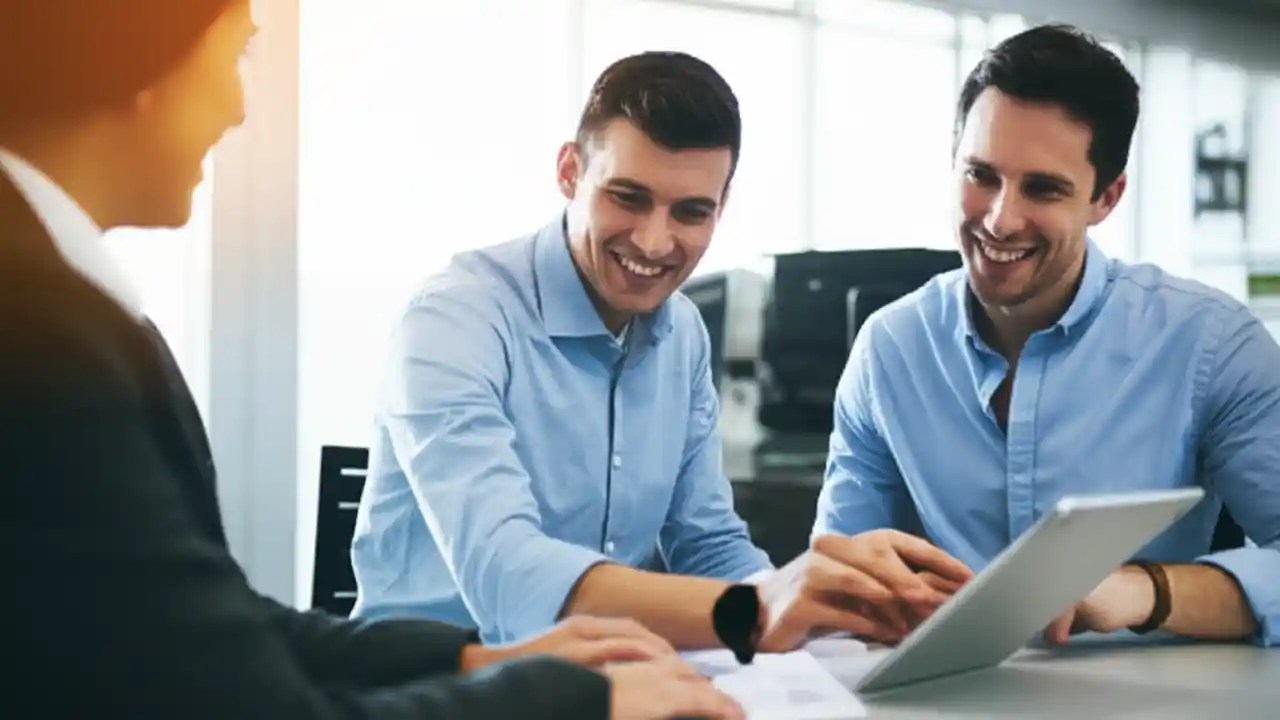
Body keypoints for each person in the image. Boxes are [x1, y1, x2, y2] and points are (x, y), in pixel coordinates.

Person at [0, 2, 748, 718]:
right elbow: (242, 697)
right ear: (144, 70)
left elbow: (218, 627)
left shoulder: (81, 319)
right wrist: (580, 694)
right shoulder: (45, 334)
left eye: (690, 210)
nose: (237, 108)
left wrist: (473, 664)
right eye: (237, 55)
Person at [351, 49, 974, 655]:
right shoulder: (456, 318)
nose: (654, 241)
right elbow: (505, 570)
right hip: (438, 683)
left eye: (690, 212)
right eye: (628, 197)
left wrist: (814, 614)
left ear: (720, 208)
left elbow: (707, 545)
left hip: (613, 676)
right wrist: (759, 609)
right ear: (570, 172)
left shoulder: (682, 333)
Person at [816, 23, 1279, 648]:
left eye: (1043, 188)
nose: (1000, 219)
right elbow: (836, 585)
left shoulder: (1212, 345)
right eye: (981, 175)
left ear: (1105, 198)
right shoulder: (889, 350)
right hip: (943, 698)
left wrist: (1137, 591)